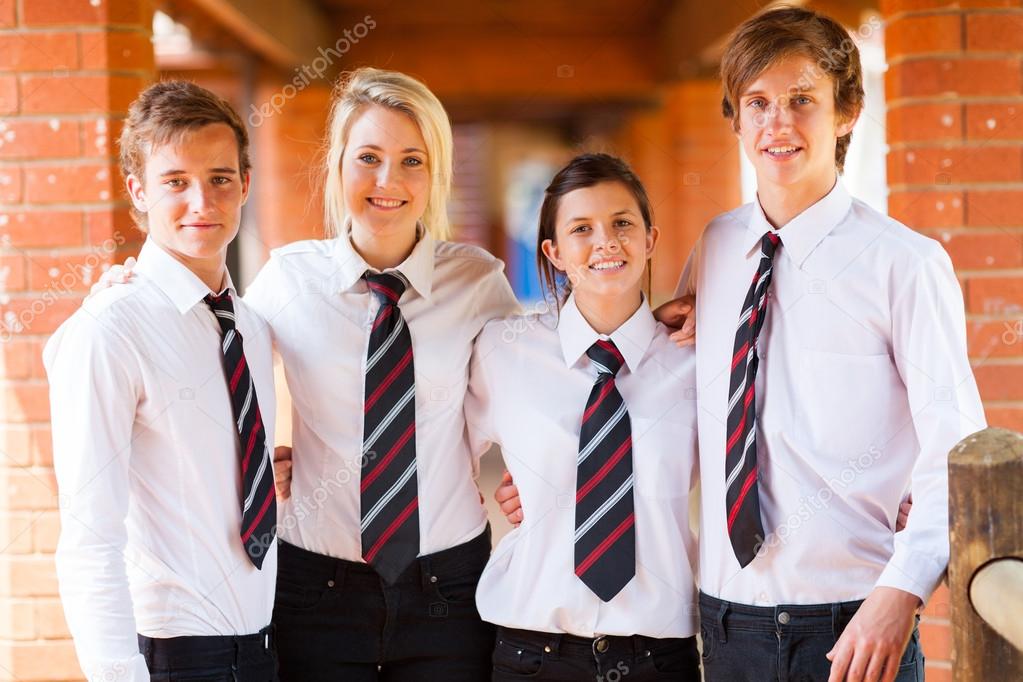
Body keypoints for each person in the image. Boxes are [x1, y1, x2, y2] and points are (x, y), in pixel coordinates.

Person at [499, 7, 985, 682]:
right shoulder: (717, 248)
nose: (776, 123)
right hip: (726, 621)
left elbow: (955, 451)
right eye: (756, 103)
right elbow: (670, 393)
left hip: (852, 616)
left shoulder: (904, 264)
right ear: (735, 120)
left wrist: (899, 594)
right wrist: (565, 475)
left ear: (845, 113)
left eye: (801, 101)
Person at [93, 67, 521, 681]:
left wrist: (539, 475)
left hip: (448, 587)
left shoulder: (478, 282)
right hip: (314, 588)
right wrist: (125, 292)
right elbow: (209, 353)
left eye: (412, 161)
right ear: (338, 165)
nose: (387, 181)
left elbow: (540, 387)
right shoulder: (288, 281)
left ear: (437, 173)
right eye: (367, 157)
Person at [45, 81, 279, 681]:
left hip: (265, 646)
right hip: (173, 656)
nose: (201, 200)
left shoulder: (249, 326)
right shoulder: (109, 328)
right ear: (138, 193)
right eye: (175, 181)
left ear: (245, 186)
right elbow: (89, 536)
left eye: (220, 178)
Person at [465, 153, 701, 681]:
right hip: (533, 655)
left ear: (650, 239)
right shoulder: (503, 351)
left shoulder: (696, 361)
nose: (606, 242)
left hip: (657, 659)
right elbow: (437, 455)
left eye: (622, 223)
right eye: (581, 229)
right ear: (553, 251)